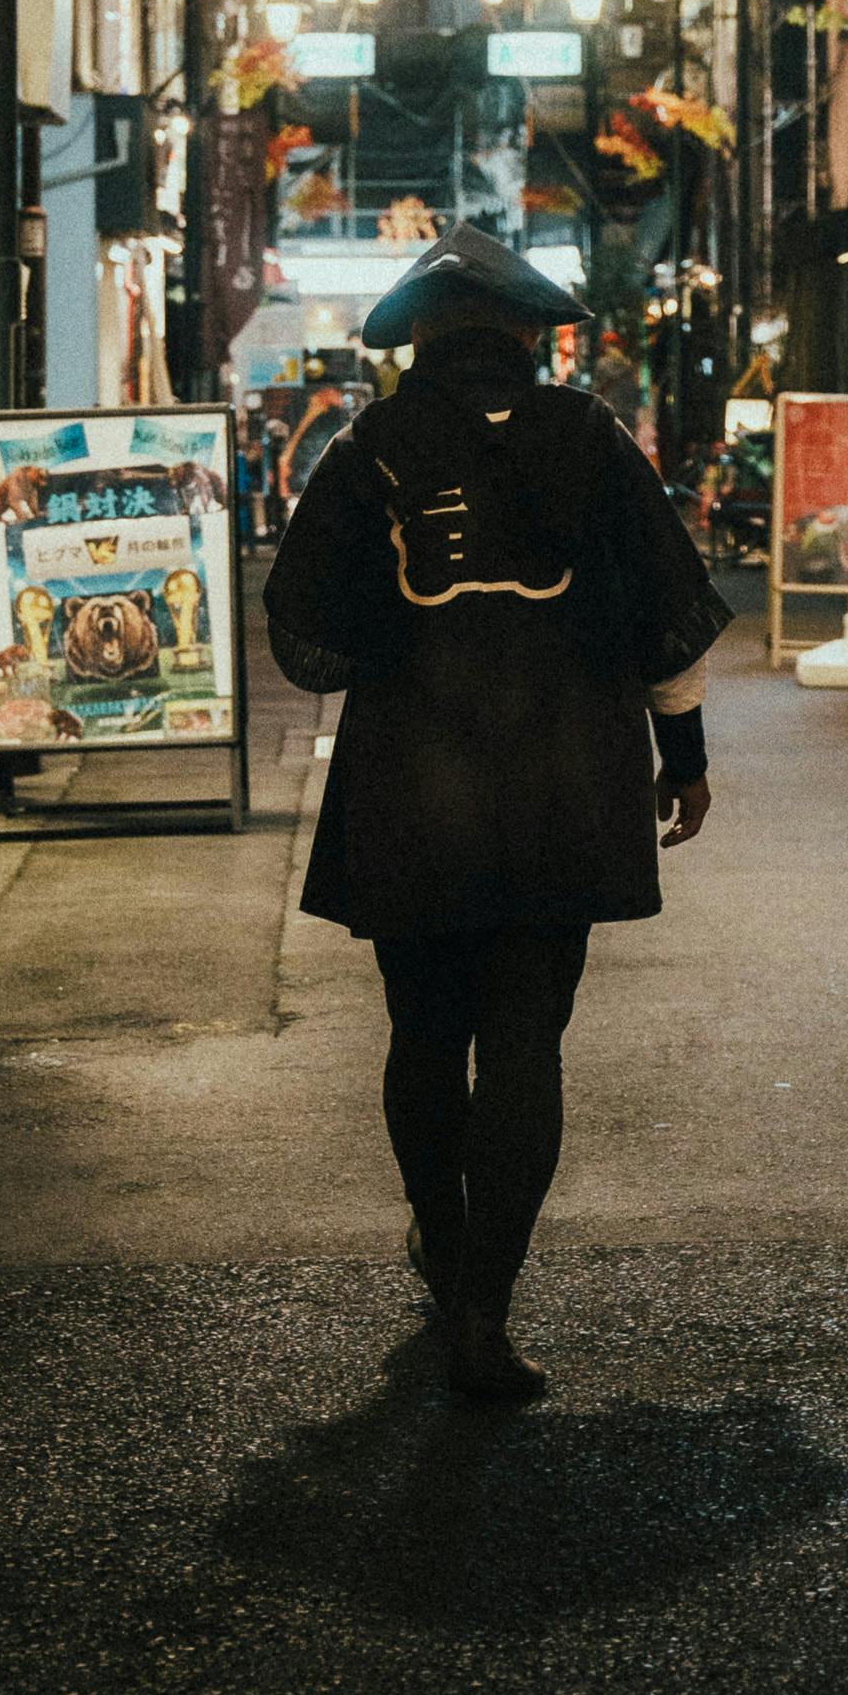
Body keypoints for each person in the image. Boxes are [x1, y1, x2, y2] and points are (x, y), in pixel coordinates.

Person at [264, 220, 730, 1404]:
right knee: (527, 1041)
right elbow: (667, 617)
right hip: (564, 789)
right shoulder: (592, 438)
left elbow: (305, 628)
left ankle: (436, 1233)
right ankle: (487, 1306)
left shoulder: (370, 445)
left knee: (423, 1029)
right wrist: (684, 757)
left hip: (412, 787)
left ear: (419, 338)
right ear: (529, 334)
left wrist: (399, 622)